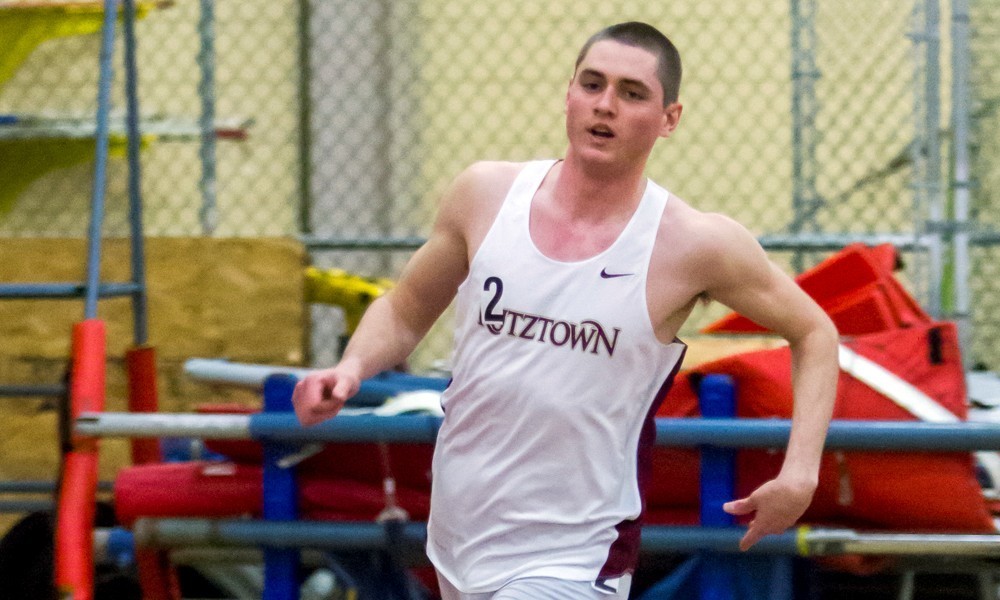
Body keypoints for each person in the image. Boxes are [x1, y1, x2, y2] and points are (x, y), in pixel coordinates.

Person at [293, 21, 838, 600]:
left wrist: (800, 473)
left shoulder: (694, 243)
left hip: (577, 553)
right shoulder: (485, 194)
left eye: (632, 93)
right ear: (569, 93)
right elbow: (405, 311)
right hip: (459, 537)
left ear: (669, 118)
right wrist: (350, 369)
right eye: (592, 84)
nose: (605, 105)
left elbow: (815, 333)